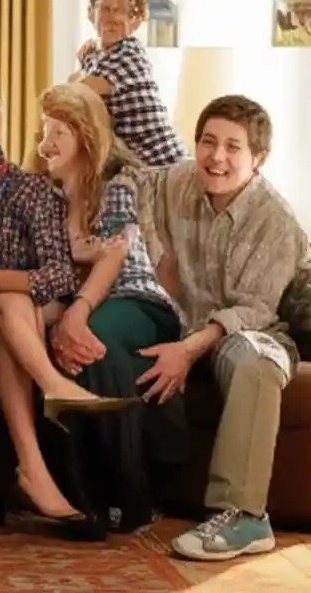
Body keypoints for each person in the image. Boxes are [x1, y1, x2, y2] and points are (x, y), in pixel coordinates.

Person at [0, 76, 118, 540]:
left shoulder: (29, 191)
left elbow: (59, 275)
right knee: (14, 307)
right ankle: (53, 395)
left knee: (9, 316)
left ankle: (33, 470)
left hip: (1, 329)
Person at [131, 96, 307, 562]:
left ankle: (246, 516)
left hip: (249, 333)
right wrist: (150, 248)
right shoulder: (177, 182)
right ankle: (118, 493)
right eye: (208, 142)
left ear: (258, 158)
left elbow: (253, 309)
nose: (216, 157)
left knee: (256, 360)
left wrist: (188, 350)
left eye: (233, 147)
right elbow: (130, 181)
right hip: (178, 322)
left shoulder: (277, 221)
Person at [36, 82, 185, 531]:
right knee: (90, 357)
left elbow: (117, 252)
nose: (46, 142)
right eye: (44, 129)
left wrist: (77, 309)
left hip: (137, 301)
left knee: (92, 341)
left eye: (59, 131)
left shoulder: (116, 184)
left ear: (86, 137)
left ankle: (127, 497)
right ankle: (93, 503)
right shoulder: (47, 198)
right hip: (88, 308)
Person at [69, 0, 188, 166]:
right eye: (105, 9)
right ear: (91, 13)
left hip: (162, 168)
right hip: (136, 168)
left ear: (138, 19)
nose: (113, 18)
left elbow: (73, 95)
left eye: (123, 11)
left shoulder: (129, 54)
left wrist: (80, 69)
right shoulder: (98, 55)